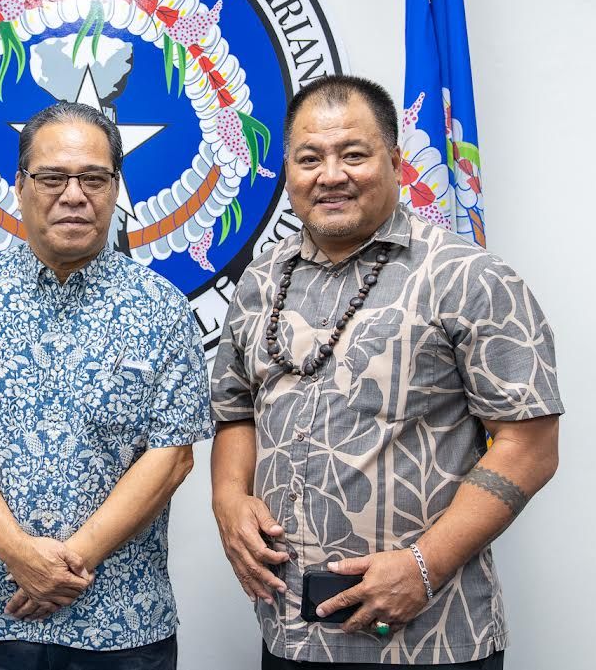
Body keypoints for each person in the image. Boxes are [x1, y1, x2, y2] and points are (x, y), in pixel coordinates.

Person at [211, 75, 563, 669]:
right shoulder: (259, 282)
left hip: (432, 638)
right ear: (287, 172)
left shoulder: (470, 278)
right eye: (310, 159)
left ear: (395, 162)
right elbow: (235, 411)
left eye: (354, 154)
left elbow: (530, 447)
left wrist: (424, 567)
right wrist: (227, 499)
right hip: (289, 635)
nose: (331, 175)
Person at [0, 102, 211, 670]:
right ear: (19, 185)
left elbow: (172, 457)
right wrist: (18, 554)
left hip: (125, 624)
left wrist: (63, 567)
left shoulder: (161, 307)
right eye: (52, 177)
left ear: (116, 187)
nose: (74, 195)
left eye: (94, 178)